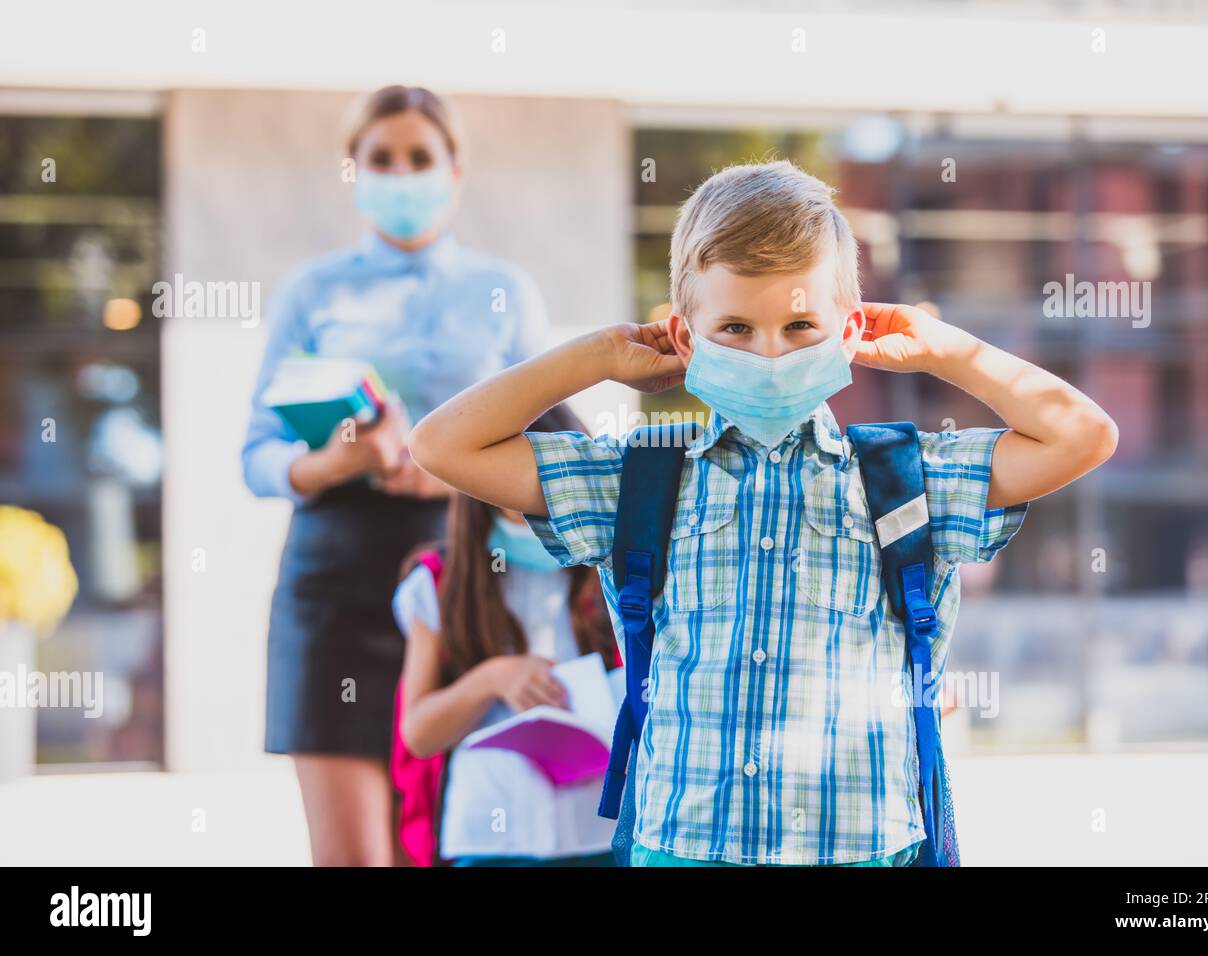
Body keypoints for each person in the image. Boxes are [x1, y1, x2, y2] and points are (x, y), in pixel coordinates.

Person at [407, 160, 1118, 866]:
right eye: (737, 328)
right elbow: (441, 444)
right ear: (686, 339)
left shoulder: (905, 476)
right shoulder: (641, 478)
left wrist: (945, 350)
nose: (770, 354)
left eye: (802, 324)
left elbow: (1083, 434)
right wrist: (597, 356)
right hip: (683, 849)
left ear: (850, 331)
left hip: (862, 850)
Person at [241, 85, 550, 866]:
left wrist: (449, 476)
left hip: (463, 589)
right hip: (333, 590)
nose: (402, 173)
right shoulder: (310, 292)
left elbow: (551, 448)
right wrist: (336, 461)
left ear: (455, 169)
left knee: (462, 844)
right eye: (382, 159)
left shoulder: (505, 292)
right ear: (355, 170)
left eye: (421, 156)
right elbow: (256, 456)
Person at [393, 405, 620, 866]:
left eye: (553, 496)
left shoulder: (613, 576)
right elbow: (417, 733)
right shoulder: (440, 584)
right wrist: (492, 678)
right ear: (477, 487)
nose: (538, 513)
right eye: (518, 492)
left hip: (599, 832)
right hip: (490, 836)